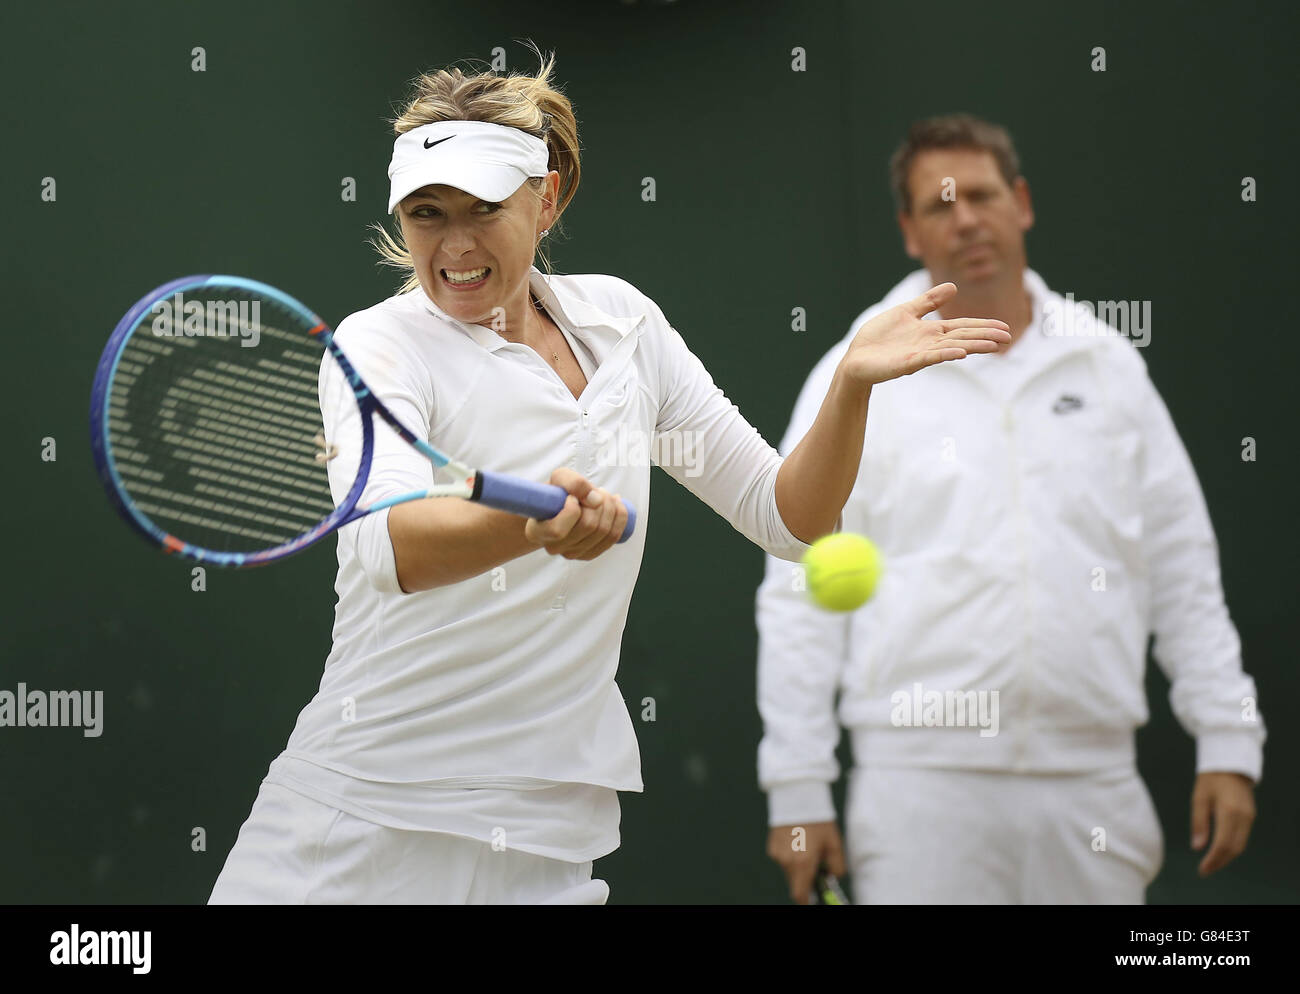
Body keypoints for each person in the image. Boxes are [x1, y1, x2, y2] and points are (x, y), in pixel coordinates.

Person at [207, 58, 1009, 904]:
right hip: (359, 830)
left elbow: (789, 515)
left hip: (545, 842)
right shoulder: (379, 348)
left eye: (485, 209)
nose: (455, 244)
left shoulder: (625, 325)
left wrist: (851, 386)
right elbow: (388, 544)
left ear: (546, 199)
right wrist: (530, 526)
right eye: (426, 213)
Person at [757, 114, 1265, 905]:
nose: (966, 218)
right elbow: (796, 588)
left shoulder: (1108, 367)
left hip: (1092, 782)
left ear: (1021, 203)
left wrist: (1229, 735)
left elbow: (1180, 564)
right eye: (939, 205)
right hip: (920, 789)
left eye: (983, 195)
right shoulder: (857, 374)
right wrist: (797, 788)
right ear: (908, 231)